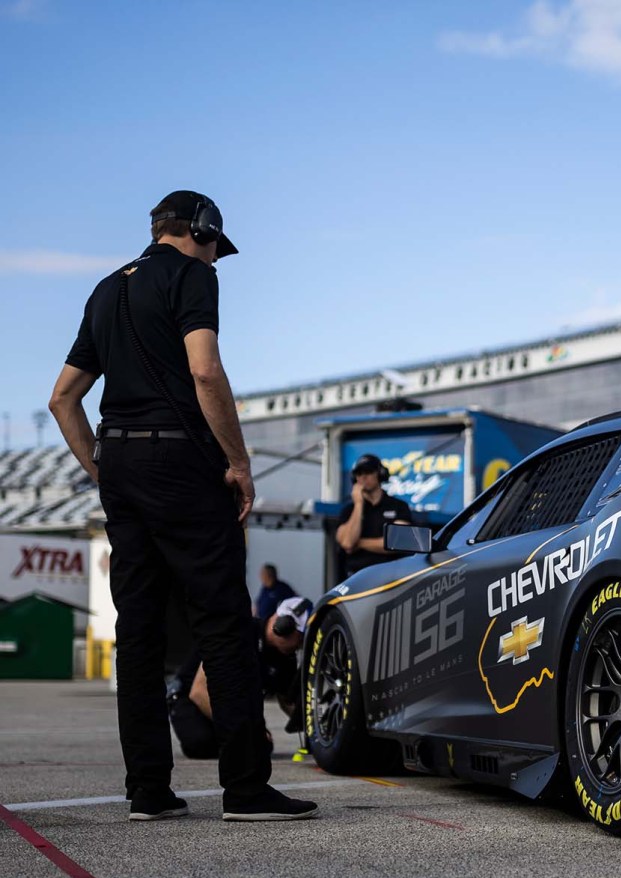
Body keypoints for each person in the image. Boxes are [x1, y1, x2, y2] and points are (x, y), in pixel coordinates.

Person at [48, 190, 318, 822]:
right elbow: (204, 371)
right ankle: (246, 789)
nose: (216, 263)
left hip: (120, 463)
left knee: (137, 633)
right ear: (201, 232)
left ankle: (148, 791)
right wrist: (241, 463)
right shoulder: (193, 276)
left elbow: (63, 398)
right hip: (182, 465)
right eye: (216, 250)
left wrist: (100, 467)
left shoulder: (106, 290)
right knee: (222, 621)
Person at [171, 596, 311, 759]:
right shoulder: (238, 634)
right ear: (282, 626)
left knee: (262, 747)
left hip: (233, 706)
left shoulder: (285, 658)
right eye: (300, 638)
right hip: (192, 700)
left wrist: (311, 728)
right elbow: (198, 692)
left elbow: (287, 700)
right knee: (201, 743)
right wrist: (245, 729)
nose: (299, 646)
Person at [336, 453, 414, 577]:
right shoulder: (348, 510)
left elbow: (396, 543)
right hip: (356, 579)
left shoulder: (398, 506)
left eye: (368, 472)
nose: (363, 477)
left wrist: (360, 543)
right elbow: (347, 543)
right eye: (359, 474)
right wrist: (358, 504)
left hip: (390, 577)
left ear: (380, 474)